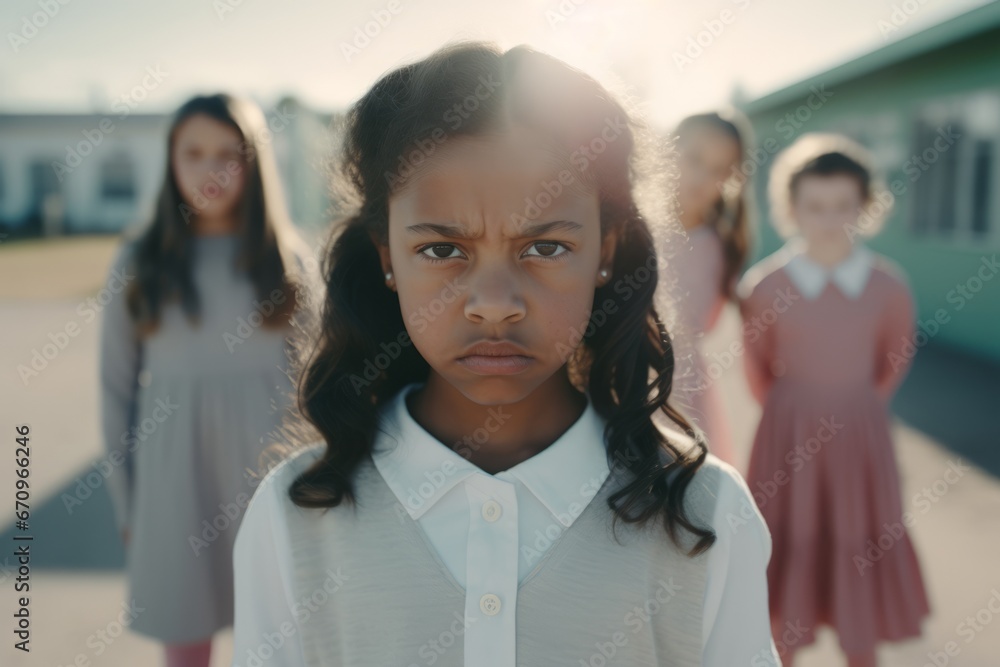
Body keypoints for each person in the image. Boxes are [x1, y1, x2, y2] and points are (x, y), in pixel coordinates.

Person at [231, 41, 780, 667]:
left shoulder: (704, 514)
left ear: (606, 251)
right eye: (442, 250)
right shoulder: (294, 516)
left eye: (544, 248)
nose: (493, 304)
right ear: (387, 257)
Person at [98, 93, 320, 667]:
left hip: (271, 484)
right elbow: (115, 392)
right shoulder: (138, 263)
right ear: (171, 161)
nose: (210, 169)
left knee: (278, 640)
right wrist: (128, 506)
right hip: (175, 488)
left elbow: (319, 388)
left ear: (254, 163)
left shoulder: (288, 261)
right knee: (187, 642)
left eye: (229, 153)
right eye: (193, 152)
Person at [736, 133, 930, 667]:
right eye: (815, 207)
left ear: (866, 208)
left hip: (861, 436)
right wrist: (796, 410)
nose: (829, 218)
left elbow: (892, 361)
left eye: (843, 205)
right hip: (787, 435)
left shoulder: (888, 286)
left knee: (858, 542)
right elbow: (756, 367)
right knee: (791, 540)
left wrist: (851, 406)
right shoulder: (766, 286)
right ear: (791, 209)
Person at [667, 110, 754, 466]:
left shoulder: (722, 248)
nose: (702, 177)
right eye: (694, 159)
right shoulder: (623, 230)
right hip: (616, 385)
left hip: (687, 397)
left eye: (720, 170)